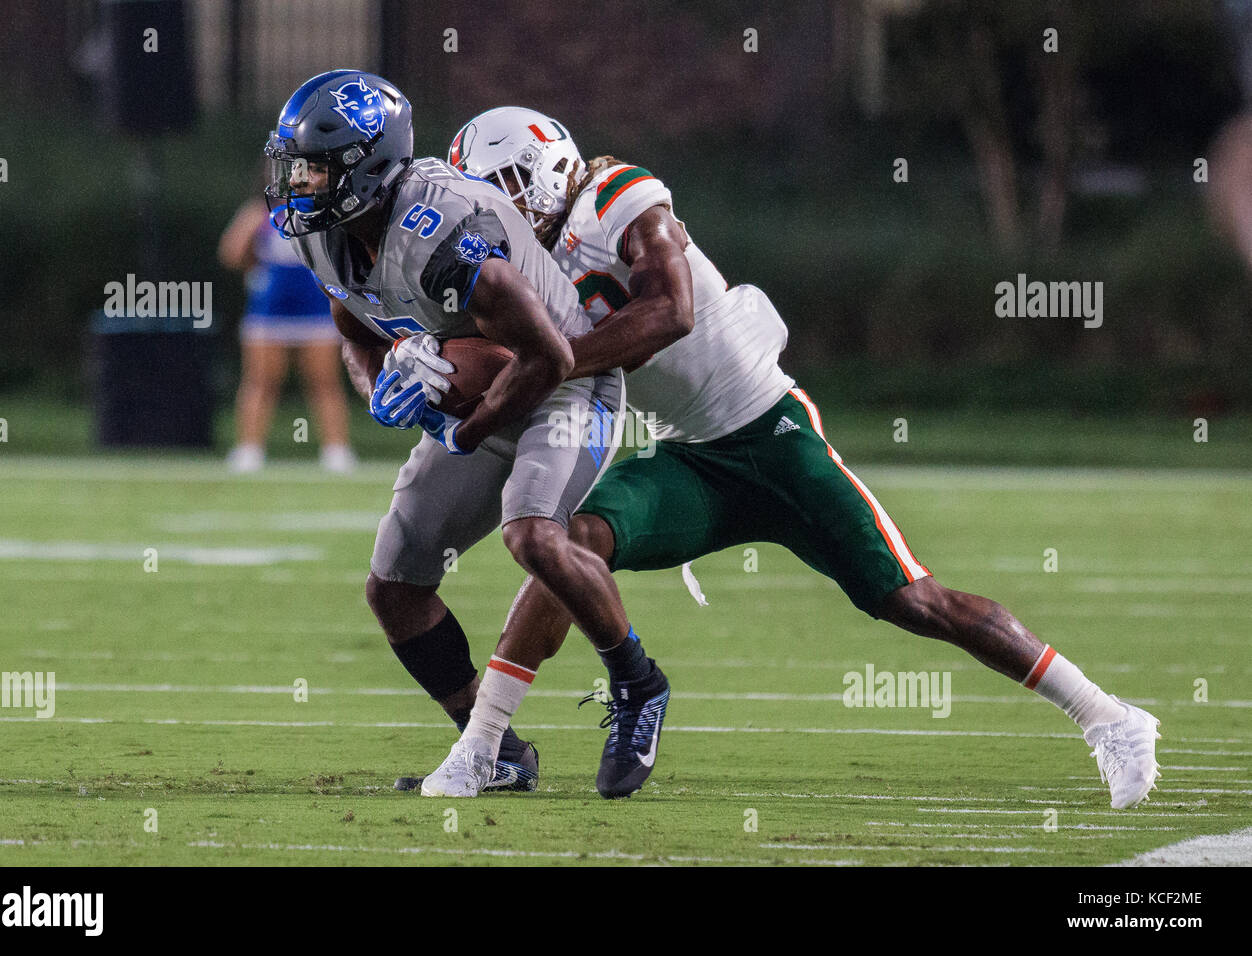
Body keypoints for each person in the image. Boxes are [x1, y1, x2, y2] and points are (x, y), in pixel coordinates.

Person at [419, 106, 1162, 807]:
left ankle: (1109, 718)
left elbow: (670, 311)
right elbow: (493, 357)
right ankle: (482, 748)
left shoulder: (614, 196)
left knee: (914, 601)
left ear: (547, 167)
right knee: (566, 545)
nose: (501, 212)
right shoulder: (526, 264)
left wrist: (553, 360)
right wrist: (424, 367)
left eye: (507, 189)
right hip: (688, 461)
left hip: (771, 436)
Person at [264, 70, 661, 798]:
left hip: (566, 389)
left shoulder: (446, 234)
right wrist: (385, 384)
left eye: (315, 169)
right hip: (485, 390)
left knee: (534, 535)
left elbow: (550, 355)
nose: (299, 183)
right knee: (394, 586)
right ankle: (497, 750)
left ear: (367, 168)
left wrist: (465, 429)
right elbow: (355, 328)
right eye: (295, 168)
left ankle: (638, 682)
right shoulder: (326, 237)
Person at [218, 189, 356, 473]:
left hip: (315, 312)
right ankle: (250, 450)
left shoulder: (325, 212)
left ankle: (336, 451)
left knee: (324, 383)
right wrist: (255, 266)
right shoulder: (259, 212)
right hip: (270, 312)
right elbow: (231, 253)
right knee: (260, 382)